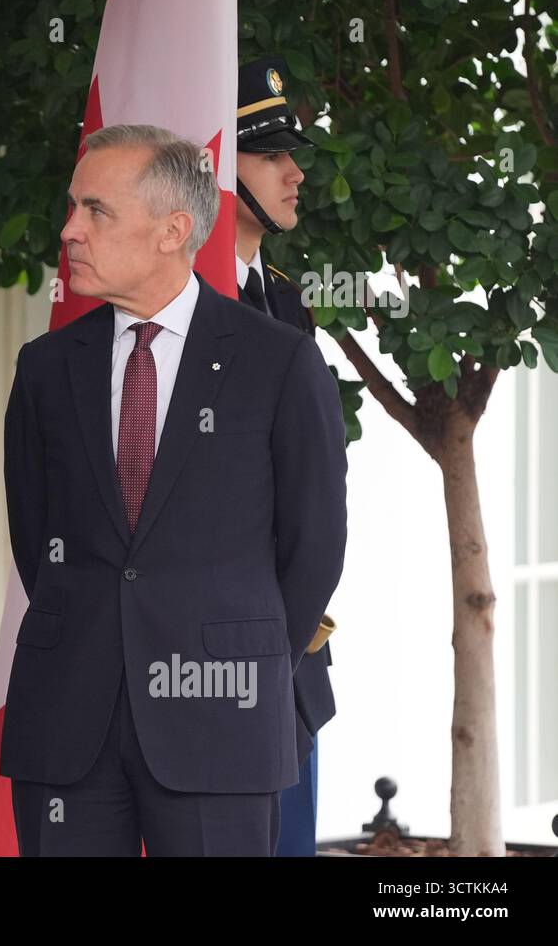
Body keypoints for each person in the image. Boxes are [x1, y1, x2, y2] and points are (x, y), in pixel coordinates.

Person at [1, 124, 347, 856]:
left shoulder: (277, 360)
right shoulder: (46, 367)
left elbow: (314, 545)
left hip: (223, 720)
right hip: (68, 721)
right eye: (73, 207)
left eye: (95, 210)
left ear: (172, 230)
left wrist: (246, 660)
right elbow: (38, 542)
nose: (70, 229)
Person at [234, 55, 338, 856]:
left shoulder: (285, 300)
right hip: (204, 675)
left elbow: (315, 490)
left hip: (291, 670)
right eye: (269, 155)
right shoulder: (180, 309)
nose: (293, 172)